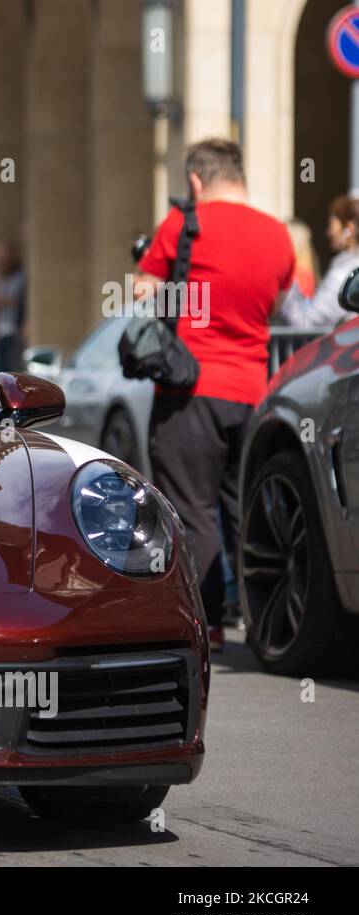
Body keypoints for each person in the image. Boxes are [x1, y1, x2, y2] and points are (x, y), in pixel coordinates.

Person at [134, 138, 295, 652]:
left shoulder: (184, 222)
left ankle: (208, 622)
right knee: (240, 506)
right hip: (253, 390)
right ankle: (257, 614)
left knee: (189, 505)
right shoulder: (278, 235)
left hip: (191, 390)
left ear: (197, 181)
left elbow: (142, 289)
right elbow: (285, 301)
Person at [280, 196, 359, 330]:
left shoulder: (341, 275)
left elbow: (307, 322)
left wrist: (285, 286)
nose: (329, 232)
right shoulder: (344, 270)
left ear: (348, 229)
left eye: (332, 225)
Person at [0, 241, 27, 375]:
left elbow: (20, 301)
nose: (1, 263)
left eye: (4, 259)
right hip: (0, 332)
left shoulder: (20, 277)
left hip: (14, 333)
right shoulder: (1, 279)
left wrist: (3, 301)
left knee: (12, 373)